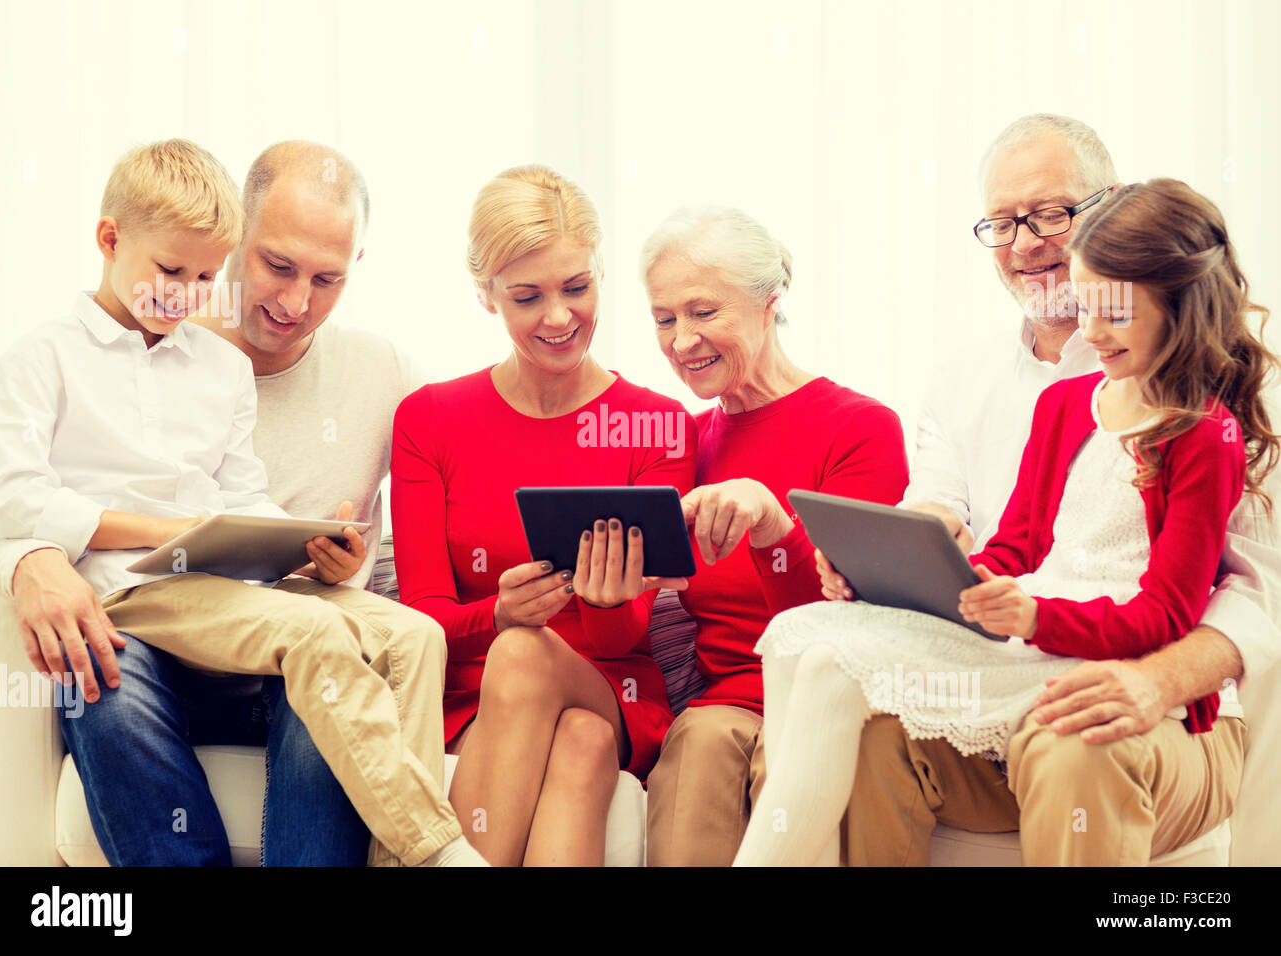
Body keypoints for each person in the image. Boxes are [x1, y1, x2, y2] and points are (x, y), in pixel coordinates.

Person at [742, 127, 1279, 864]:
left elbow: (1252, 594)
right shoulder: (996, 387)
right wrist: (887, 572)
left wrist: (1152, 681)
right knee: (839, 675)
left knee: (1074, 741)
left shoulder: (1224, 408)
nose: (1025, 242)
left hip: (1161, 693)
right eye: (1003, 221)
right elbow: (959, 523)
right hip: (1015, 651)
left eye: (1051, 213)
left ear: (1109, 212)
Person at [0, 139, 479, 867]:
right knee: (317, 637)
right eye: (171, 271)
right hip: (132, 589)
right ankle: (439, 851)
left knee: (413, 637)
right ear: (109, 239)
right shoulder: (44, 356)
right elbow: (14, 496)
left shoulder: (219, 366)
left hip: (220, 588)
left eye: (202, 276)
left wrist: (312, 546)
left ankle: (390, 859)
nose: (185, 293)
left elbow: (242, 493)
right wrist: (160, 529)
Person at [391, 164, 696, 866]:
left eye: (577, 288)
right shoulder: (430, 419)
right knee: (577, 737)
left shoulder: (656, 425)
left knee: (534, 660)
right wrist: (495, 617)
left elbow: (627, 637)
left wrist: (605, 600)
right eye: (527, 296)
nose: (559, 318)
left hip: (611, 683)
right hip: (476, 704)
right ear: (485, 294)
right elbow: (422, 621)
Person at [639, 205, 910, 866]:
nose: (681, 341)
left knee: (788, 762)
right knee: (700, 741)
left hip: (828, 699)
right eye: (664, 318)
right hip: (724, 701)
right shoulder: (684, 442)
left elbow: (839, 628)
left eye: (704, 312)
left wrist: (774, 527)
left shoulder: (860, 428)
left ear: (769, 303)